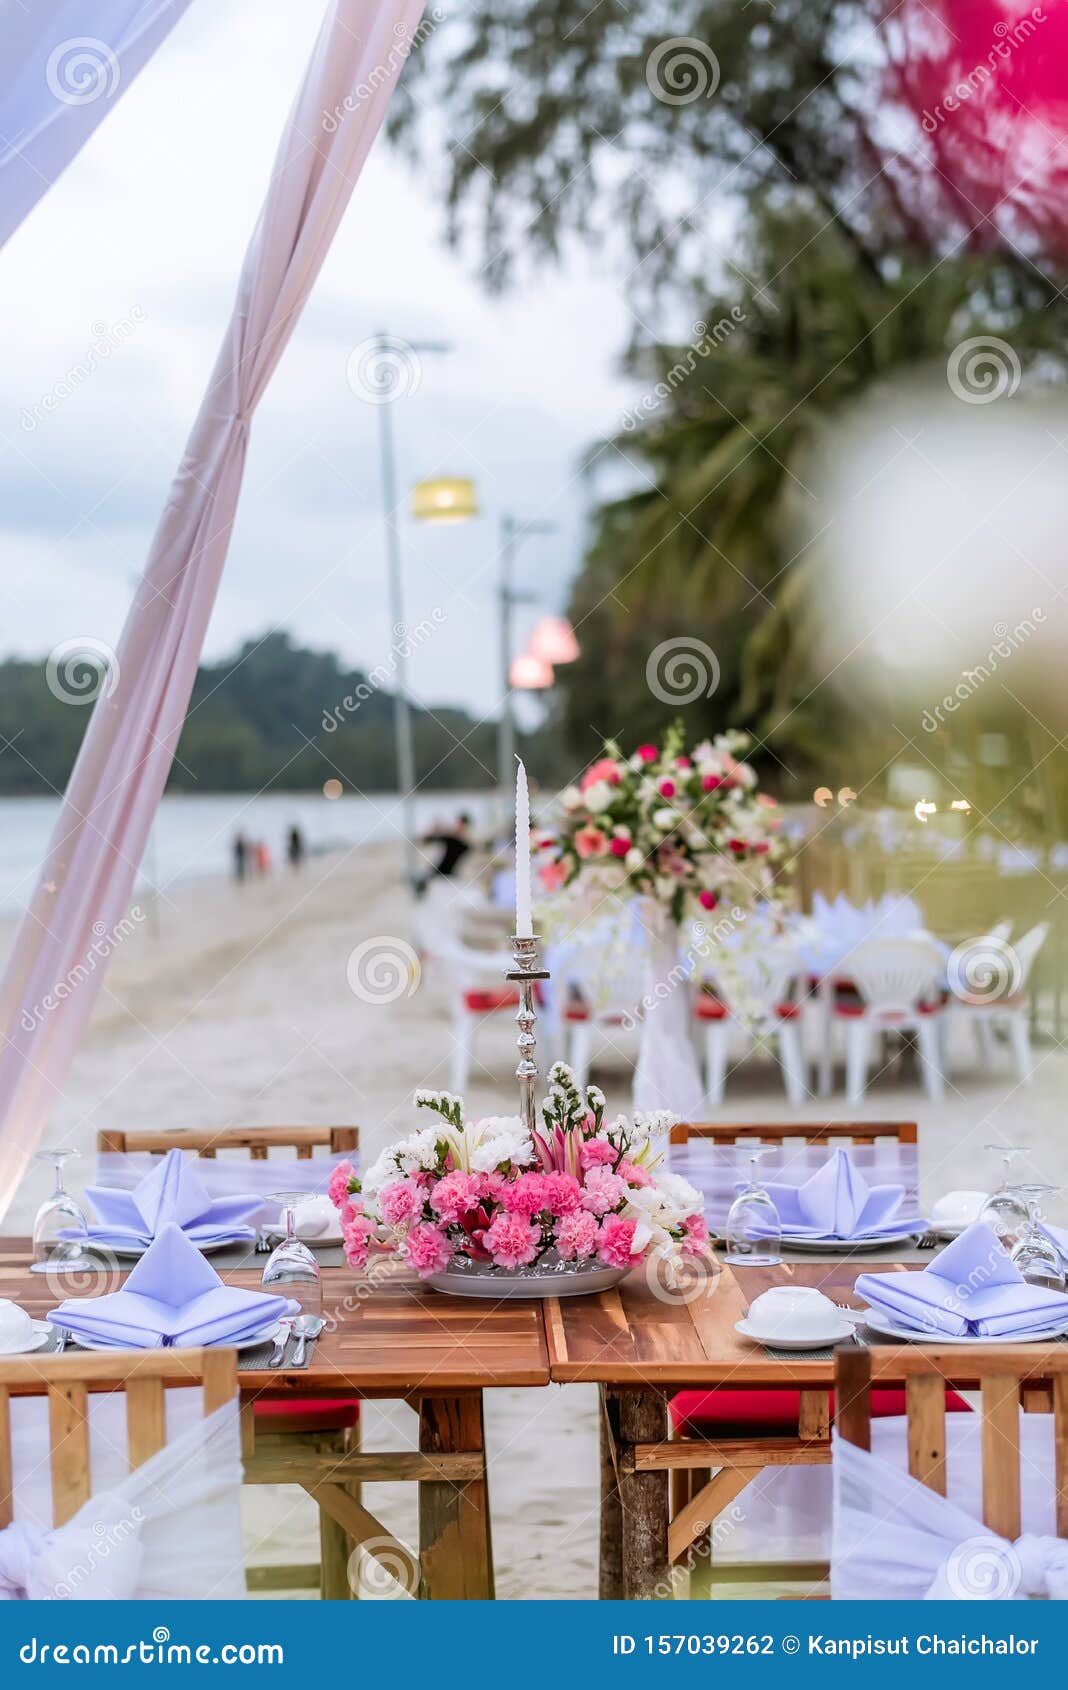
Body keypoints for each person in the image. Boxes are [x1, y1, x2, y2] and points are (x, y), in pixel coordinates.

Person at [415, 813, 472, 895]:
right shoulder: (449, 837)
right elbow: (424, 841)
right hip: (438, 874)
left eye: (461, 824)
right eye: (458, 824)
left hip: (451, 877)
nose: (458, 827)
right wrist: (436, 830)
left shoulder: (465, 842)